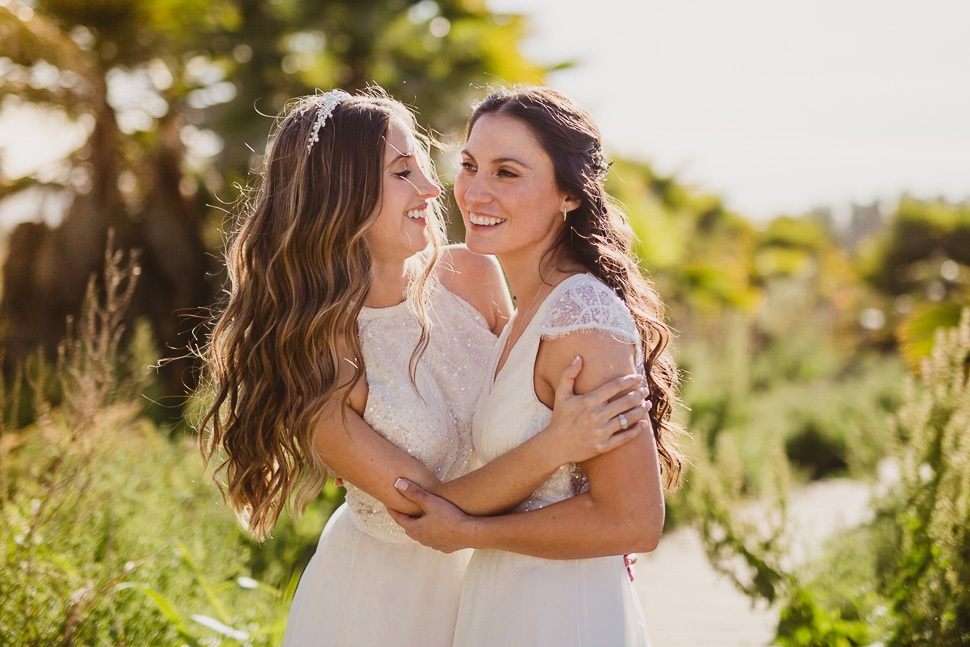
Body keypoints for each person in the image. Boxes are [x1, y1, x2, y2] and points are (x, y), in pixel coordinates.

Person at [198, 88, 653, 647]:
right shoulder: (316, 352)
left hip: (497, 589)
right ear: (340, 195)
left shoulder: (473, 274)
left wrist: (584, 493)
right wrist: (557, 447)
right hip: (385, 605)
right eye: (402, 171)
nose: (434, 188)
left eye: (423, 165)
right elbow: (428, 506)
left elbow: (515, 402)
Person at [389, 86, 687, 647]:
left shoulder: (583, 319)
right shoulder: (531, 308)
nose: (475, 192)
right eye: (471, 165)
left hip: (558, 616)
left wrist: (474, 532)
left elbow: (634, 522)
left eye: (507, 173)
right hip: (504, 604)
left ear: (569, 195)